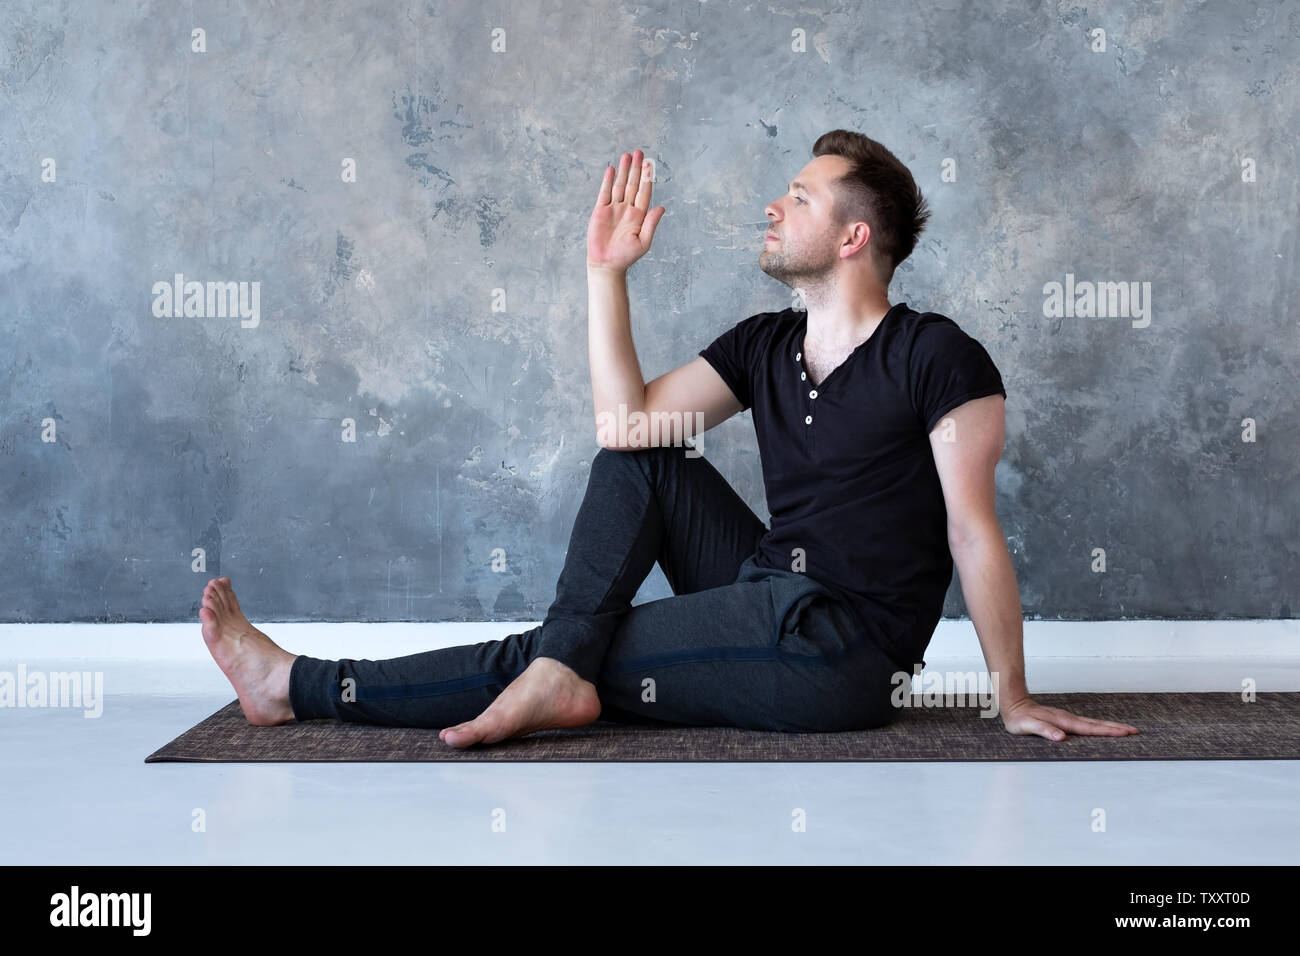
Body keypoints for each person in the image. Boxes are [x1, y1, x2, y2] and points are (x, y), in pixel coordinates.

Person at [199, 130, 1139, 748]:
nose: (775, 208)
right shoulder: (767, 343)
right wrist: (605, 274)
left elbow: (972, 531)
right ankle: (561, 668)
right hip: (764, 590)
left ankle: (299, 686)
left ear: (855, 237)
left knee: (561, 653)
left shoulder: (938, 356)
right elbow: (627, 426)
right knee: (640, 463)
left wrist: (1009, 694)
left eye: (800, 198)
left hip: (838, 648)